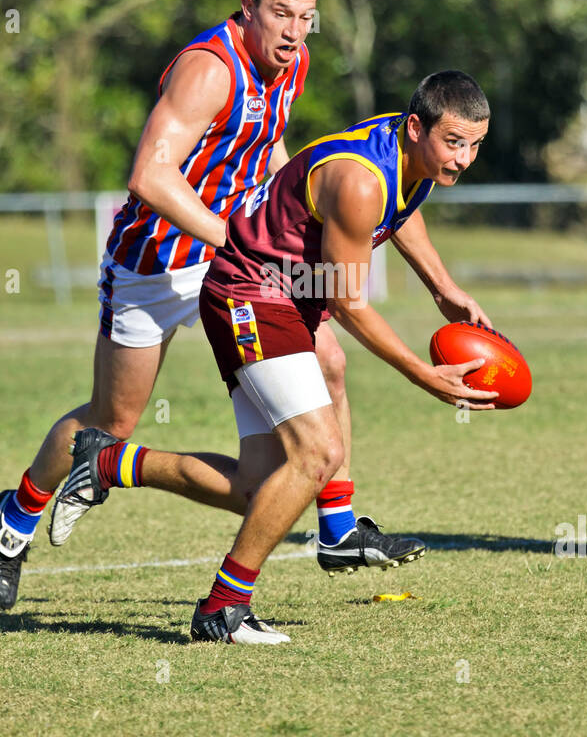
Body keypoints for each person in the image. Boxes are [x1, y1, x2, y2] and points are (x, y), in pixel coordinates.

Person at [0, 0, 426, 609]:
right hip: (156, 261)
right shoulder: (207, 72)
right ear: (248, 8)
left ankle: (337, 527)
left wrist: (281, 220)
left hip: (237, 263)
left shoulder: (292, 63)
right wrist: (240, 239)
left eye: (305, 17)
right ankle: (16, 514)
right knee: (112, 418)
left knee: (328, 356)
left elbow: (268, 152)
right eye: (280, 13)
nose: (294, 31)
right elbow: (150, 177)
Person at [60, 71, 497, 643]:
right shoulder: (361, 181)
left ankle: (113, 462)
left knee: (259, 489)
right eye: (455, 142)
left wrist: (443, 287)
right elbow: (348, 300)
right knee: (317, 452)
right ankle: (223, 608)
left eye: (476, 146)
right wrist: (422, 373)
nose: (464, 159)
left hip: (288, 294)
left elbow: (402, 207)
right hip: (253, 293)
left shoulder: (411, 156)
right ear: (415, 127)